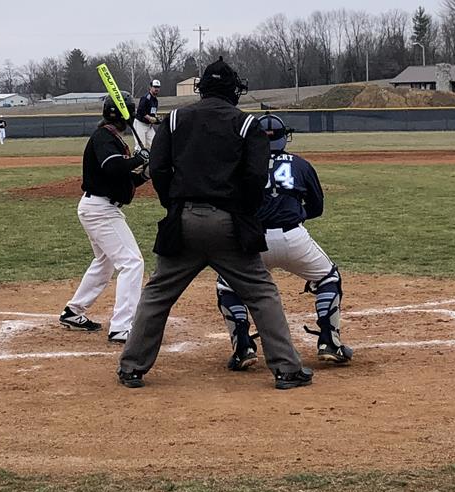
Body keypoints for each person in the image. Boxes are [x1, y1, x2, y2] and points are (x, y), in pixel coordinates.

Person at [117, 60, 312, 390]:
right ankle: (286, 369)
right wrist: (243, 212)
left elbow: (159, 169)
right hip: (229, 224)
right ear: (232, 90)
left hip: (183, 221)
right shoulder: (246, 124)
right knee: (262, 294)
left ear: (202, 88)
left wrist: (174, 204)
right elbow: (255, 177)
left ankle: (132, 367)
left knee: (157, 295)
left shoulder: (175, 119)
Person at [217, 114, 350, 370]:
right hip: (293, 237)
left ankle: (243, 347)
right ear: (284, 138)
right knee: (328, 278)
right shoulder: (300, 164)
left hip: (253, 241)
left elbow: (229, 206)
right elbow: (316, 207)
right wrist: (292, 212)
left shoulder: (239, 166)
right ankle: (330, 342)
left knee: (227, 286)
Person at [60, 98, 150, 345]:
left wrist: (144, 174)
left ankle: (73, 311)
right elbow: (113, 168)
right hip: (100, 210)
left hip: (99, 207)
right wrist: (138, 159)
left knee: (105, 262)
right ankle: (121, 327)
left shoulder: (111, 138)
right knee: (132, 263)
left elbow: (121, 180)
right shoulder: (103, 137)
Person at [132, 77, 163, 149]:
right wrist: (149, 118)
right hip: (140, 124)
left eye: (158, 87)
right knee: (140, 146)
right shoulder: (146, 98)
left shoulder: (155, 100)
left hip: (149, 126)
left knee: (155, 144)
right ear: (150, 87)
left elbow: (152, 112)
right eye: (154, 87)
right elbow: (140, 110)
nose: (156, 89)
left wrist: (156, 118)